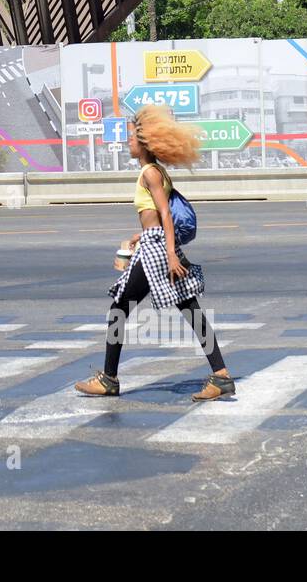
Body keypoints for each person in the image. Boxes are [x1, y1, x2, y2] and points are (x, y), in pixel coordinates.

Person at [75, 105, 234, 402]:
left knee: (120, 308)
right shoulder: (154, 172)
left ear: (145, 143)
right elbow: (156, 216)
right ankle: (221, 375)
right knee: (190, 310)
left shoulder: (150, 172)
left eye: (132, 138)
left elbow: (165, 213)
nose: (128, 143)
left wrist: (171, 253)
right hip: (153, 242)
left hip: (157, 248)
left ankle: (109, 379)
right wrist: (140, 236)